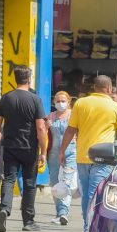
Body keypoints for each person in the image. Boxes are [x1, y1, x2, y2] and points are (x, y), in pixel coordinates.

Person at [57, 75, 117, 232]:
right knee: (94, 194)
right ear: (109, 88)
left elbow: (71, 130)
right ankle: (89, 228)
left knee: (88, 194)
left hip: (83, 156)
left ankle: (88, 227)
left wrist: (62, 151)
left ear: (94, 88)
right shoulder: (115, 107)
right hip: (103, 158)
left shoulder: (81, 103)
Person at [0, 65, 48, 232]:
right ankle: (28, 221)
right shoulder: (35, 99)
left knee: (9, 179)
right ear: (29, 79)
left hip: (10, 146)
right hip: (29, 147)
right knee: (30, 183)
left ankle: (4, 208)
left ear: (15, 78)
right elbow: (41, 128)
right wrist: (44, 151)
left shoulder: (6, 98)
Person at [47, 91, 77, 225]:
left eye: (63, 101)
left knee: (66, 182)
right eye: (58, 101)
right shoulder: (51, 116)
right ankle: (59, 212)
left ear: (69, 102)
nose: (60, 103)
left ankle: (64, 212)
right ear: (54, 102)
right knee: (54, 183)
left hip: (71, 152)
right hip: (54, 153)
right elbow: (44, 134)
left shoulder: (73, 115)